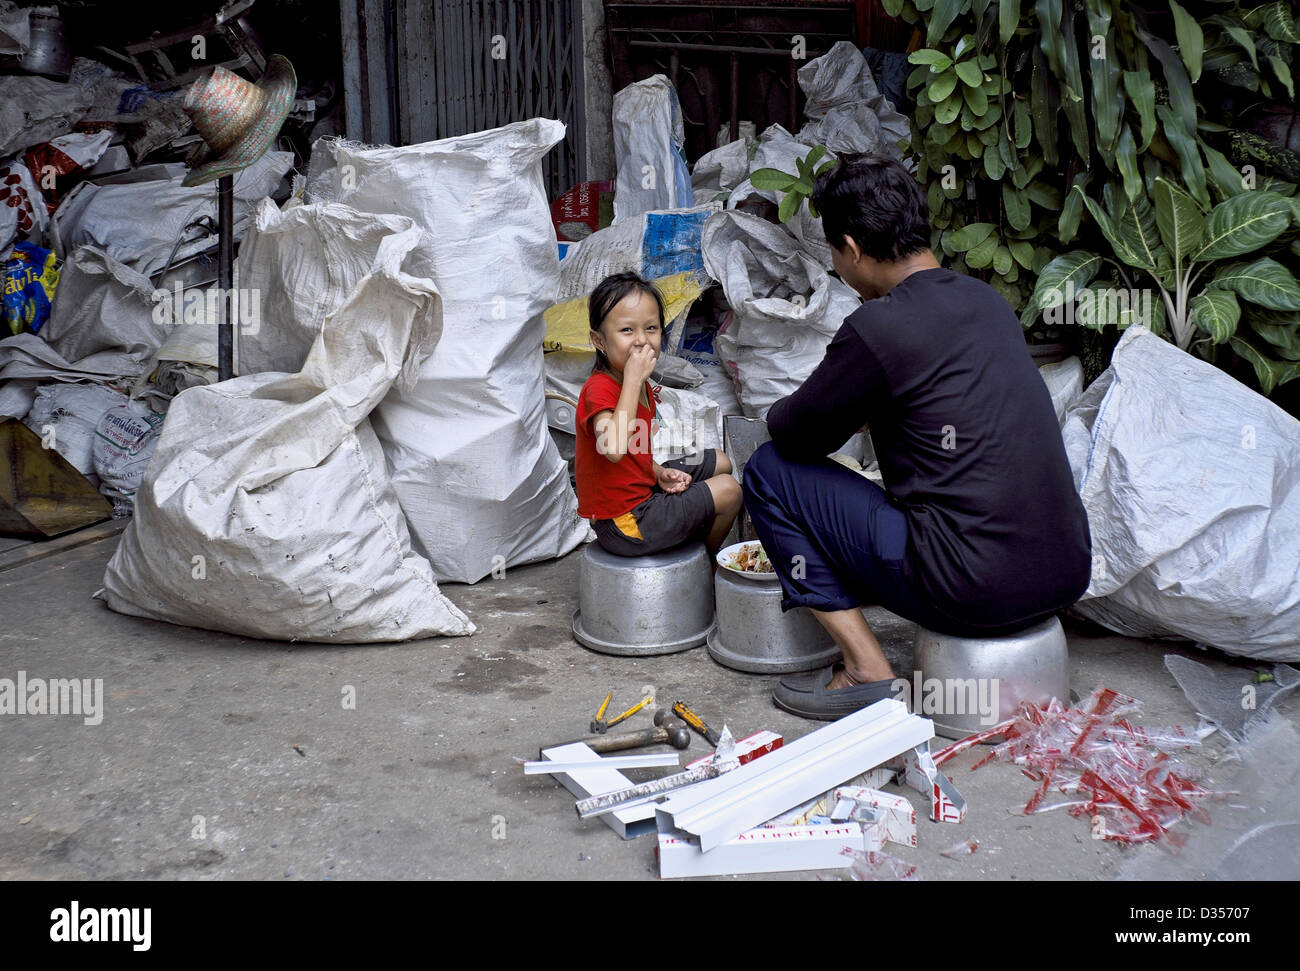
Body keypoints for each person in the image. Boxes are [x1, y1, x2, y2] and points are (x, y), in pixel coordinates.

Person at [743, 155, 1092, 720]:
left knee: (768, 471)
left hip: (970, 587)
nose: (837, 266)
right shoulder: (987, 302)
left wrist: (854, 403)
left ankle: (864, 670)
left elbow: (793, 434)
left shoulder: (879, 327)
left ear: (851, 248)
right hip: (1066, 570)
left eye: (835, 254)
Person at [575, 272, 742, 558]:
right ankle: (703, 564)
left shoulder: (640, 385)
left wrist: (659, 473)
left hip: (644, 492)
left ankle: (686, 534)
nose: (642, 341)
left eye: (651, 328)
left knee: (720, 461)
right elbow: (613, 449)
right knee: (728, 491)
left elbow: (634, 450)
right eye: (627, 331)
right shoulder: (600, 389)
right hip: (624, 522)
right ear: (599, 341)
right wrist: (632, 380)